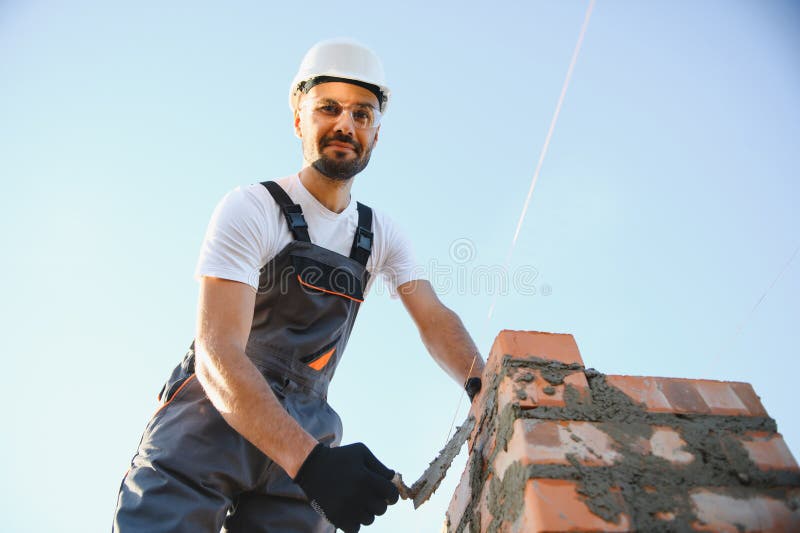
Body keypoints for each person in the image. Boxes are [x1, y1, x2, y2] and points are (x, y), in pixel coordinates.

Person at [112, 38, 485, 533]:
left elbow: (433, 318)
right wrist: (312, 464)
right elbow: (218, 351)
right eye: (328, 108)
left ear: (375, 134)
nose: (345, 124)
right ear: (298, 120)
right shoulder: (253, 208)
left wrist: (484, 386)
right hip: (211, 417)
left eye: (362, 114)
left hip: (306, 425)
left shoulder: (381, 235)